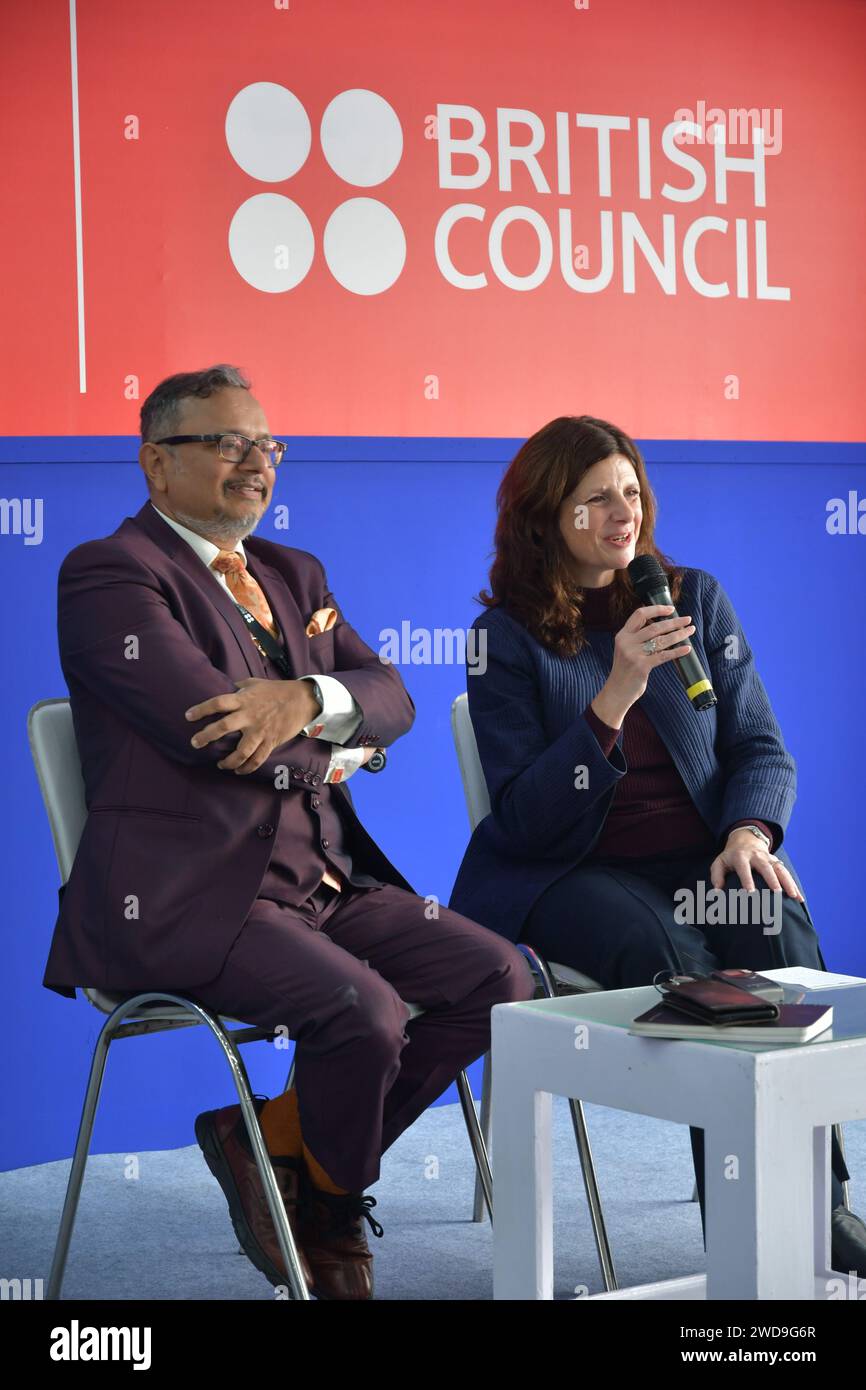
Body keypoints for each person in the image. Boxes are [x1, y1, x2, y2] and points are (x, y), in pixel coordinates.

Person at [43, 364, 534, 1301]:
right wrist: (337, 754)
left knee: (498, 977)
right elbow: (214, 729)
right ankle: (338, 1222)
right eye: (226, 443)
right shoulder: (110, 573)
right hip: (187, 897)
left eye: (265, 445)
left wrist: (310, 694)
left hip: (323, 884)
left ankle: (276, 1144)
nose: (255, 463)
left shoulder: (293, 573)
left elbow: (393, 697)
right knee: (365, 1012)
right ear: (156, 464)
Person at [449, 413, 866, 1277]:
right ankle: (744, 1204)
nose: (621, 513)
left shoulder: (691, 598)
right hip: (569, 872)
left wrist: (748, 832)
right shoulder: (506, 639)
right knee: (675, 958)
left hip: (695, 860)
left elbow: (759, 745)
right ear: (545, 513)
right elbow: (525, 816)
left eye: (631, 492)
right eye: (595, 497)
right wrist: (616, 694)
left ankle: (819, 1205)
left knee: (773, 927)